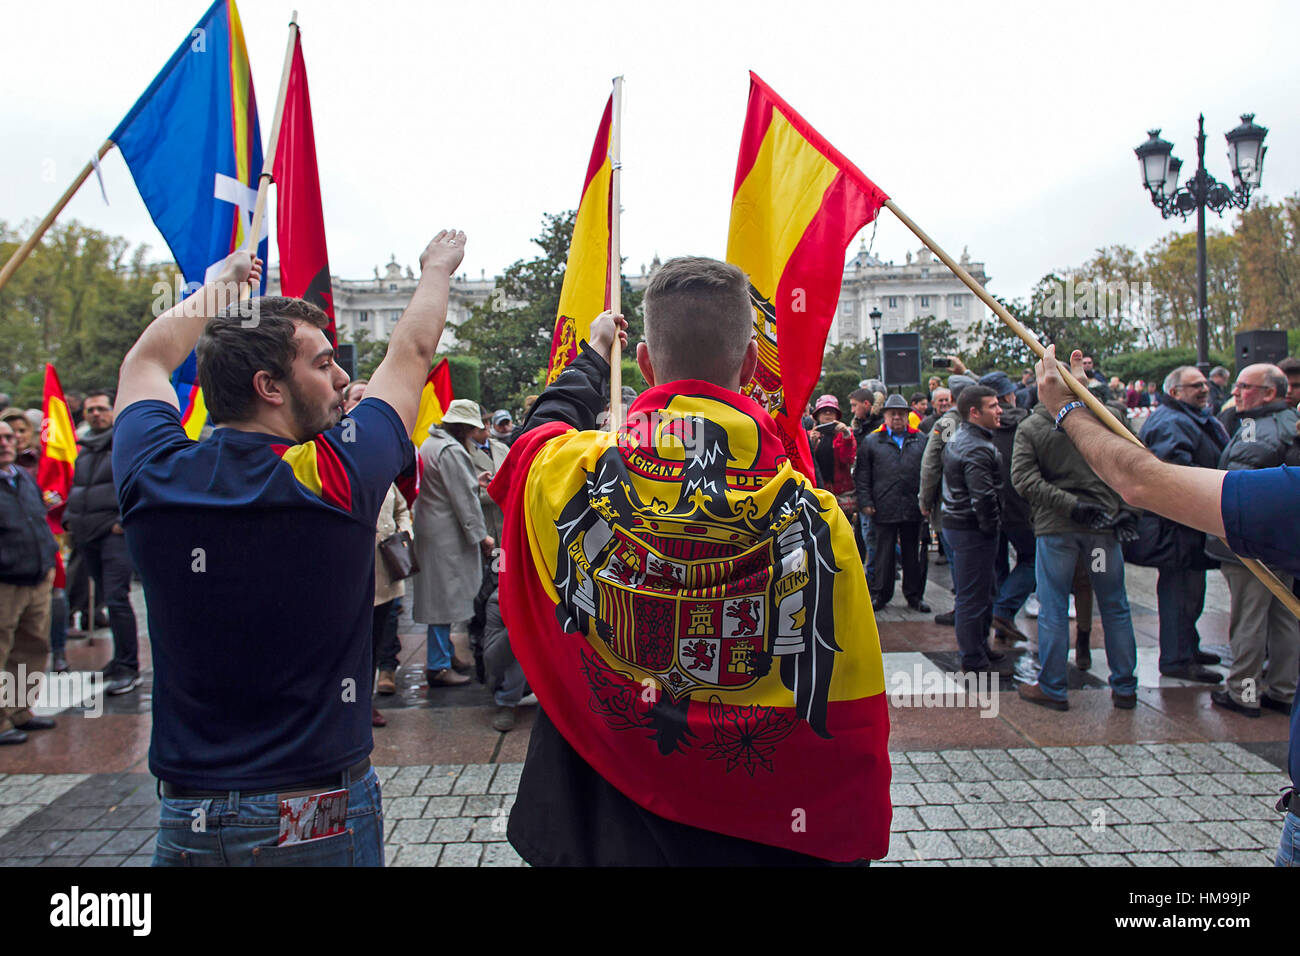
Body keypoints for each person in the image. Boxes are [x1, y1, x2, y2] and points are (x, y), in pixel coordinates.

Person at [489, 256, 890, 865]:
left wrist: (595, 356)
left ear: (645, 362)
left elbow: (534, 438)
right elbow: (844, 694)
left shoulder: (575, 473)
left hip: (602, 817)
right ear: (752, 365)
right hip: (750, 830)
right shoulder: (816, 516)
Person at [112, 229, 466, 867]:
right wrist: (437, 268)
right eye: (323, 363)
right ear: (270, 387)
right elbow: (413, 349)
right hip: (315, 811)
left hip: (187, 815)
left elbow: (145, 362)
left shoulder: (154, 473)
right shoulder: (338, 475)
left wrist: (216, 290)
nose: (342, 377)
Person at [1033, 344, 1300, 867]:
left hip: (1190, 525)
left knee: (1129, 610)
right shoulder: (1226, 429)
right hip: (1154, 529)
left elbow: (1143, 481)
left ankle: (1176, 677)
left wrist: (1067, 408)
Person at [1011, 390, 1140, 711]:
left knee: (1053, 606)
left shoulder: (1033, 426)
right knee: (1114, 606)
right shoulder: (1107, 419)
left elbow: (1023, 479)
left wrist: (1071, 506)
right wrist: (1126, 508)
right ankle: (1124, 685)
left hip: (1058, 529)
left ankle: (1053, 686)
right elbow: (1137, 465)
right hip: (1102, 528)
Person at [1207, 364, 1299, 718]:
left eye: (1244, 387)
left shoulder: (1256, 430)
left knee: (1249, 619)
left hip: (1251, 543)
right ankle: (1283, 689)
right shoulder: (1290, 422)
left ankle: (1244, 692)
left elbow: (1237, 492)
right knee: (1283, 617)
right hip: (1283, 541)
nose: (1235, 393)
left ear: (1269, 393)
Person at [1135, 366, 1228, 683]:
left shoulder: (1188, 417)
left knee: (1191, 591)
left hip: (1187, 524)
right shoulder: (1172, 422)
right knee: (1180, 594)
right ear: (1175, 392)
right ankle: (1176, 657)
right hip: (1177, 526)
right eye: (1195, 386)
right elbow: (1173, 473)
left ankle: (1187, 647)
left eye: (1204, 384)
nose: (1204, 390)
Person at [63, 389, 142, 696]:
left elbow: (137, 482)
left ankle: (128, 666)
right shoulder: (82, 449)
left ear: (112, 411)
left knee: (117, 598)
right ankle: (117, 660)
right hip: (86, 535)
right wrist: (70, 517)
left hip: (113, 535)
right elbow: (77, 486)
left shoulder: (124, 444)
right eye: (90, 410)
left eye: (101, 408)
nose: (96, 414)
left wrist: (123, 522)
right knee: (108, 598)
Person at [411, 398, 495, 688]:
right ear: (462, 426)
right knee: (443, 602)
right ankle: (438, 665)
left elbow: (452, 486)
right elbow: (464, 501)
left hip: (434, 533)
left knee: (440, 599)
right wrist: (481, 536)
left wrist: (474, 479)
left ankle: (444, 656)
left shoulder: (433, 444)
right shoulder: (450, 450)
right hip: (447, 538)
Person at [940, 384, 1007, 673]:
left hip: (961, 525)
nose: (999, 410)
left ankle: (979, 647)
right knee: (972, 596)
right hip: (970, 529)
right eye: (992, 406)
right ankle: (973, 657)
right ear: (974, 412)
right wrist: (991, 527)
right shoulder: (976, 446)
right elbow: (983, 497)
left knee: (982, 591)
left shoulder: (963, 439)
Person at [0, 418, 59, 744]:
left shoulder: (22, 477)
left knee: (31, 648)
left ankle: (19, 710)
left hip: (36, 578)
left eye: (9, 437)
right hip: (6, 582)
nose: (5, 443)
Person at [856, 394, 929, 612]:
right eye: (892, 413)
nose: (897, 417)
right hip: (883, 505)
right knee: (883, 555)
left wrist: (927, 501)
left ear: (907, 416)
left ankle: (914, 595)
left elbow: (929, 473)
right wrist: (866, 502)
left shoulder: (921, 439)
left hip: (912, 504)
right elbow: (862, 476)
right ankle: (881, 594)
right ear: (885, 416)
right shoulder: (872, 441)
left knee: (911, 554)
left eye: (901, 413)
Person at [981, 372, 1034, 644]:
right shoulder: (1026, 423)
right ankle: (1003, 610)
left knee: (1000, 564)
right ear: (1008, 397)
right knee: (1035, 560)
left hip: (990, 508)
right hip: (1020, 507)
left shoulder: (979, 427)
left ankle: (1003, 619)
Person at [918, 374, 976, 623]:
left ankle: (964, 611)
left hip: (951, 504)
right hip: (978, 505)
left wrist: (925, 500)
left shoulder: (949, 423)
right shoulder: (977, 421)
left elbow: (931, 463)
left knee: (959, 564)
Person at [370, 480, 412, 727]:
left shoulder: (384, 477)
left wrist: (404, 532)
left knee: (377, 636)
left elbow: (401, 509)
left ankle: (366, 699)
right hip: (353, 575)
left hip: (385, 571)